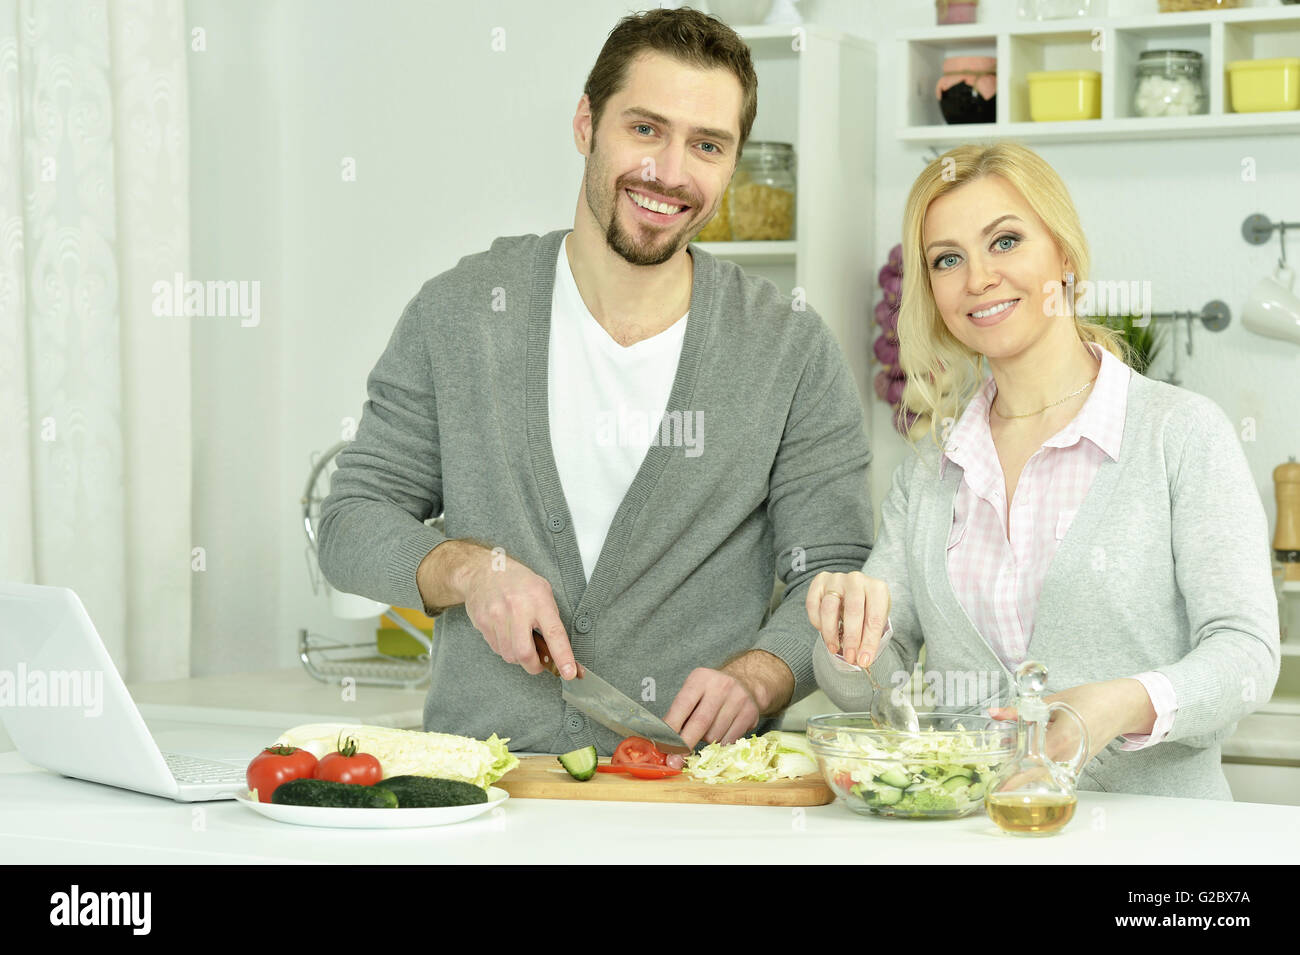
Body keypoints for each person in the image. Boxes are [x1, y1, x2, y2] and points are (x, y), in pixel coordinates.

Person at [316, 8, 873, 756]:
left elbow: (835, 576)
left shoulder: (789, 348)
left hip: (692, 798)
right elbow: (350, 519)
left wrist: (763, 673)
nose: (670, 173)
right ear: (586, 123)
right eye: (645, 129)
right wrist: (470, 570)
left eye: (706, 144)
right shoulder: (462, 312)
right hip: (485, 791)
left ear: (731, 163)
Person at [808, 142, 1280, 799]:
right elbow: (868, 681)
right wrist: (846, 636)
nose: (978, 278)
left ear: (1063, 252)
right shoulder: (930, 469)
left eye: (1004, 241)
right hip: (980, 835)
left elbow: (1248, 655)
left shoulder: (1180, 433)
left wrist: (1118, 703)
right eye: (948, 259)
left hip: (1157, 846)